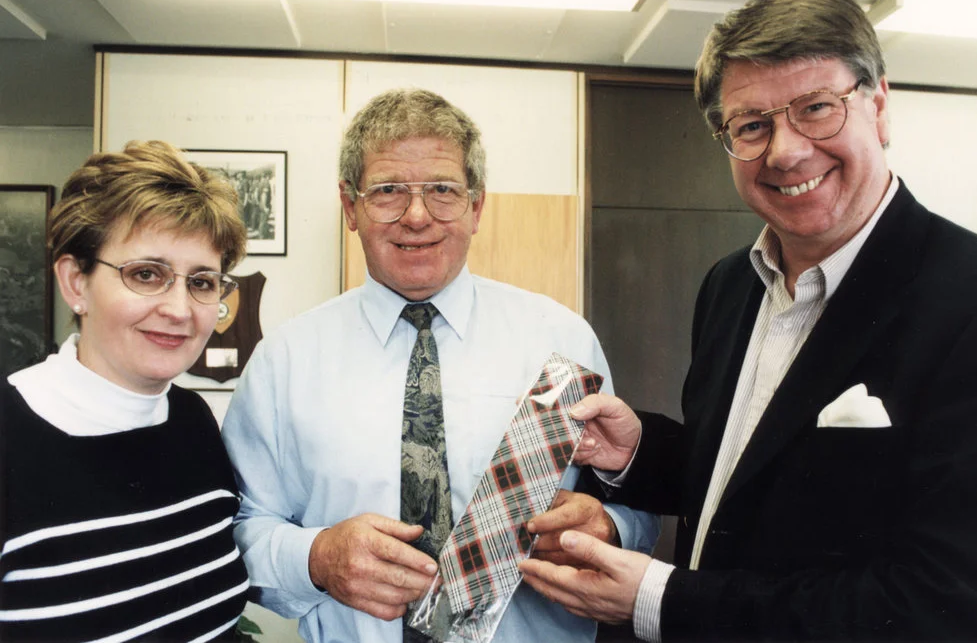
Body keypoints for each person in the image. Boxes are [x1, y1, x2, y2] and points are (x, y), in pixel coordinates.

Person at [519, 0, 977, 641]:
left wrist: (658, 598)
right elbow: (753, 476)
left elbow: (948, 600)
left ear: (878, 105)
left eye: (815, 108)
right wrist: (640, 452)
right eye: (751, 125)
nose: (785, 151)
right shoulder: (729, 286)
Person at [221, 88, 659, 642]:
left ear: (477, 207)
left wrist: (609, 529)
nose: (417, 216)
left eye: (443, 191)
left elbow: (634, 504)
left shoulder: (561, 339)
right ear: (349, 206)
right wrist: (316, 558)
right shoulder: (284, 360)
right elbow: (239, 529)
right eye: (387, 192)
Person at [0, 140, 251, 640]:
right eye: (146, 274)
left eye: (201, 282)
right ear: (76, 283)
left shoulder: (192, 419)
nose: (180, 310)